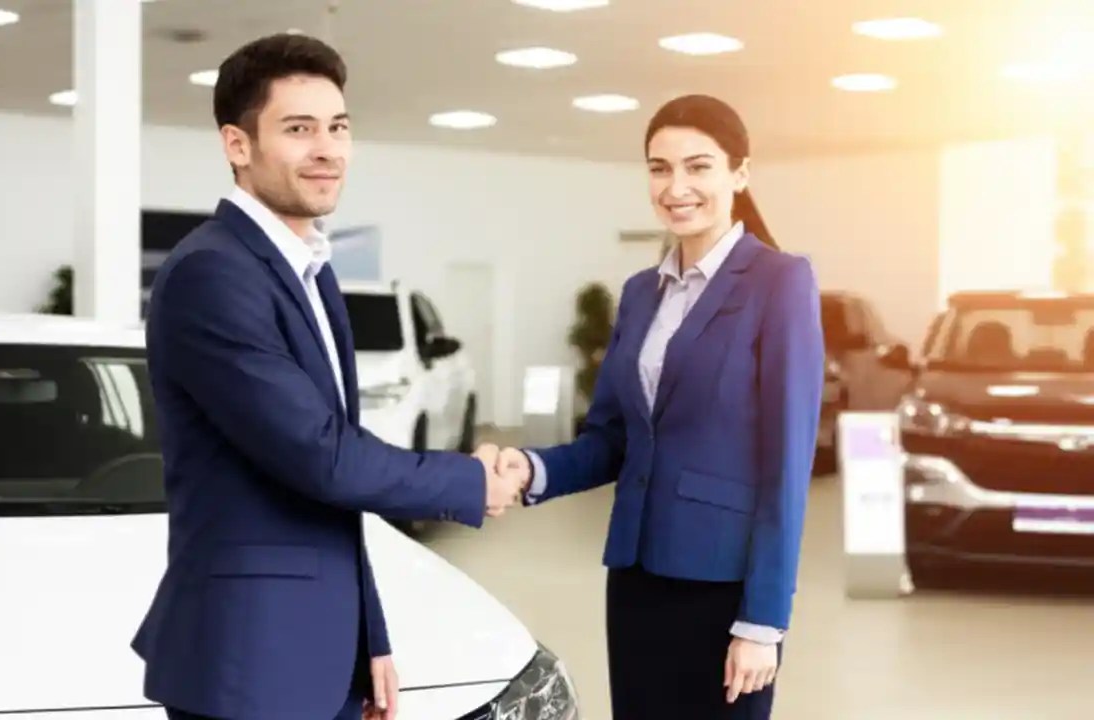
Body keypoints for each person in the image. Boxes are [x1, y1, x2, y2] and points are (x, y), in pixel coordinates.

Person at [131, 33, 522, 720]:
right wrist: (469, 480)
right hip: (250, 661)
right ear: (237, 144)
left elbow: (328, 489)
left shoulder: (307, 268)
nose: (329, 150)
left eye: (339, 127)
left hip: (315, 647)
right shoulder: (212, 274)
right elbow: (320, 456)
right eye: (299, 129)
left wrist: (367, 638)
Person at [491, 94, 824, 719]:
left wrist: (763, 621)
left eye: (698, 167)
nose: (676, 187)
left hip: (725, 589)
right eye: (659, 168)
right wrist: (531, 469)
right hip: (637, 575)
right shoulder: (642, 293)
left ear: (739, 173)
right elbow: (612, 439)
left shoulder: (780, 282)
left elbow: (786, 465)